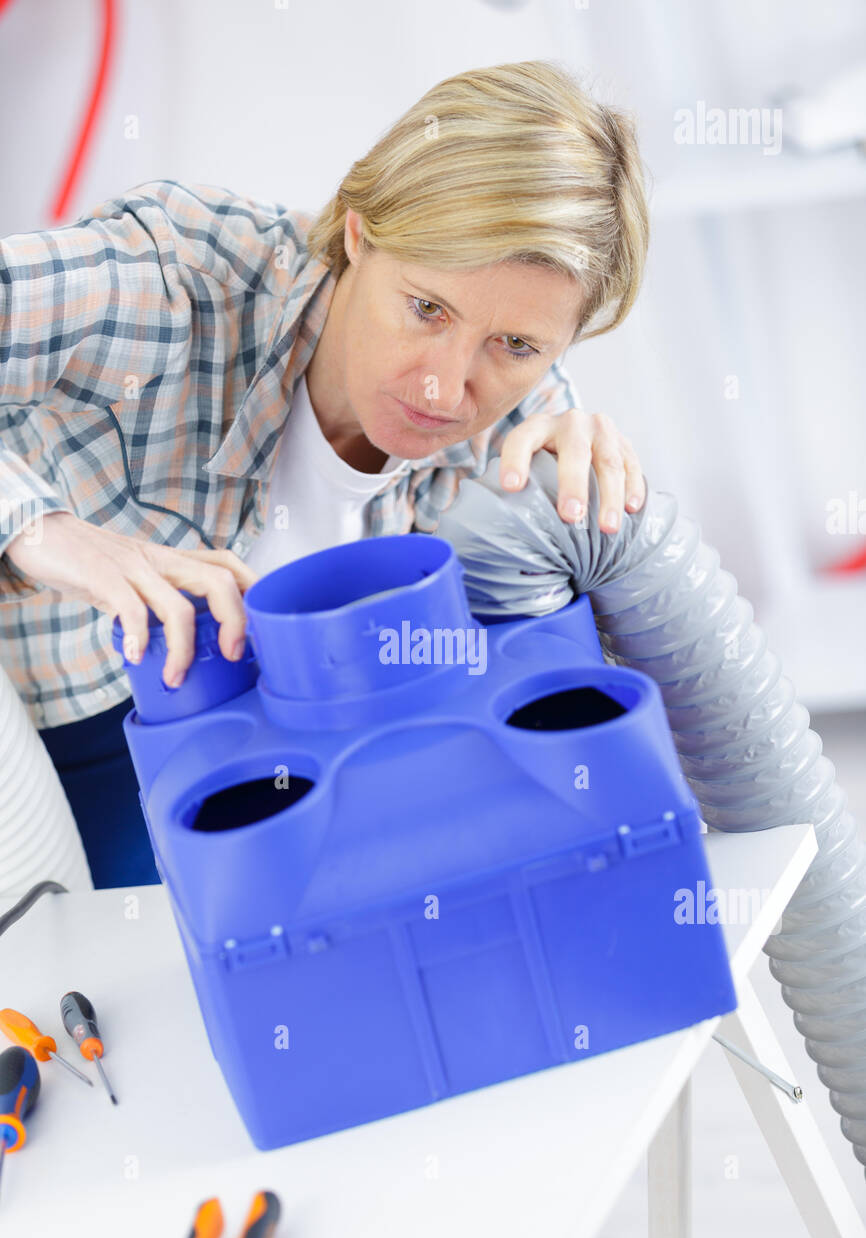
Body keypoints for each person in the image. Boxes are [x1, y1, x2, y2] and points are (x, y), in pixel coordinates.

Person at [0, 59, 649, 888]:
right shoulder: (179, 277)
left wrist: (605, 531)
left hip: (318, 735)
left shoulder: (532, 428)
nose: (444, 390)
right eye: (426, 309)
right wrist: (40, 531)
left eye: (516, 346)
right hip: (81, 739)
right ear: (356, 232)